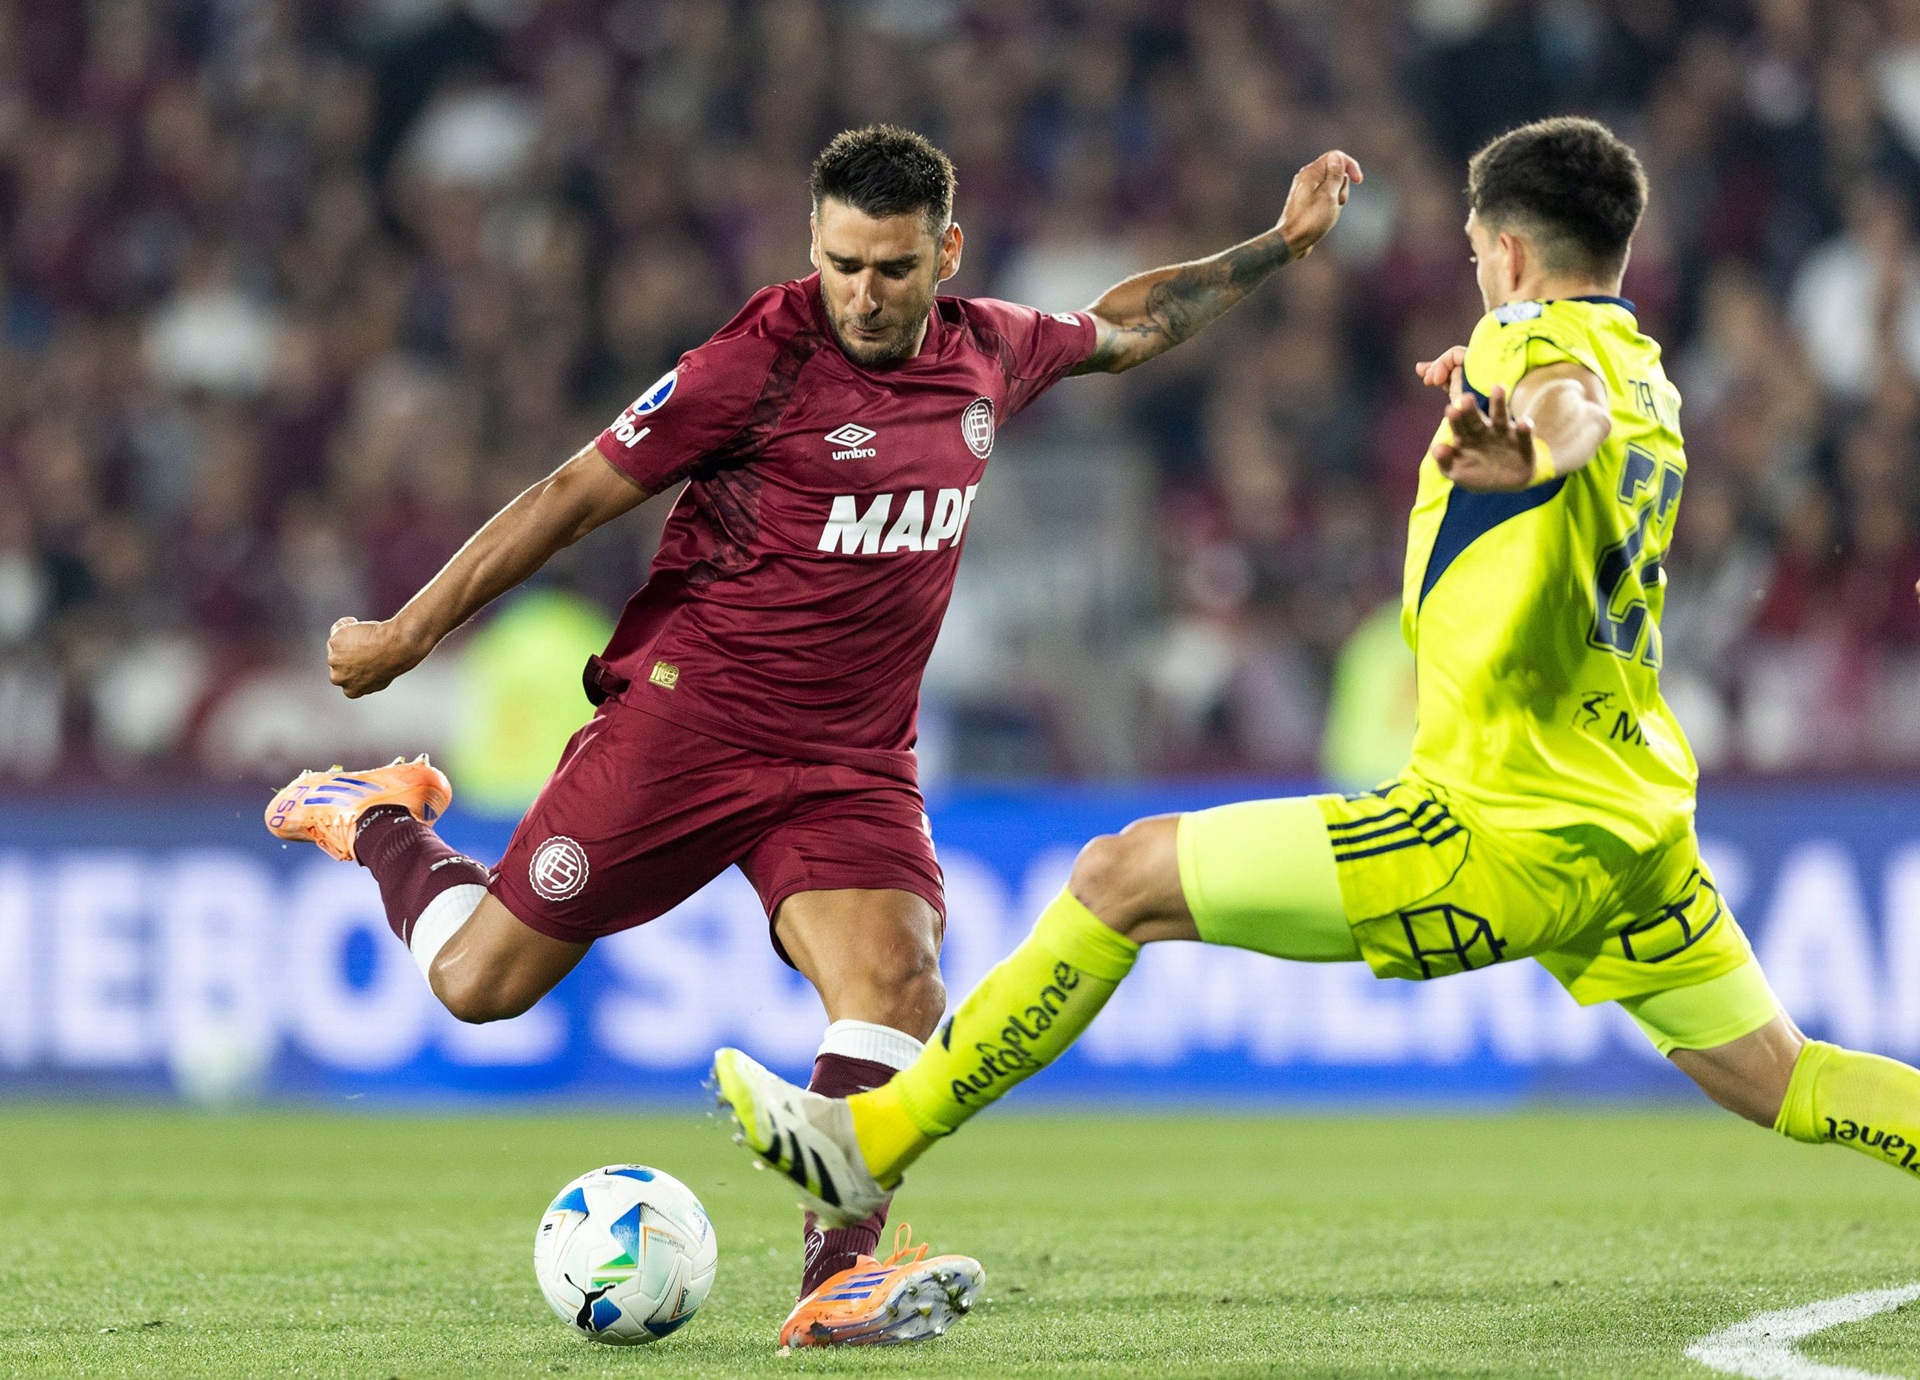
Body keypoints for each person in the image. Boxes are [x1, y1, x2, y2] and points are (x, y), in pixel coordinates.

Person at [711, 116, 1920, 1240]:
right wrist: (1515, 405)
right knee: (1785, 1076)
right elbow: (1595, 395)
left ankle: (873, 1136)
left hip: (1493, 828)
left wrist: (1534, 445)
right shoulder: (1649, 366)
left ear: (1503, 251)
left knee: (1117, 878)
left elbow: (1569, 406)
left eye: (1469, 253)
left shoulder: (1537, 349)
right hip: (1630, 819)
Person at [263, 123, 1364, 1347]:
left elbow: (1137, 324)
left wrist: (1277, 246)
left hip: (852, 761)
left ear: (947, 253)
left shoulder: (991, 350)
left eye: (893, 267)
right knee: (480, 988)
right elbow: (574, 494)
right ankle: (374, 818)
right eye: (842, 262)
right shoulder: (755, 361)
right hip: (691, 725)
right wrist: (414, 632)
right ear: (813, 244)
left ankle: (834, 1284)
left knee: (896, 981)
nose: (864, 293)